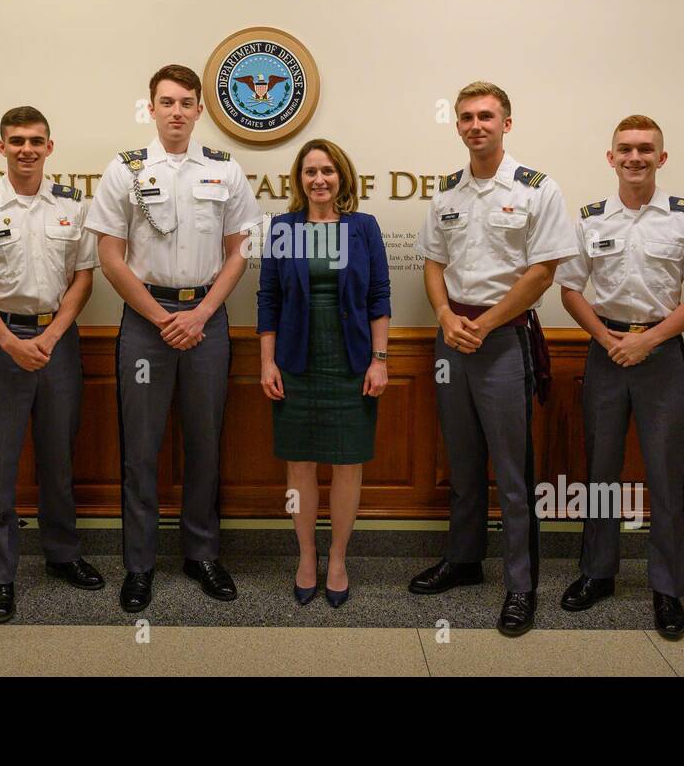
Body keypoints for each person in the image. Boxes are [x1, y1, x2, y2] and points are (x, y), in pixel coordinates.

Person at [84, 64, 262, 613]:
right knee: (140, 448)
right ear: (151, 108)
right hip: (146, 323)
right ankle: (139, 564)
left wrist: (202, 312)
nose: (177, 112)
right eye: (167, 102)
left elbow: (239, 250)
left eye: (187, 102)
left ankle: (201, 554)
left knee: (206, 442)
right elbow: (109, 257)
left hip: (206, 319)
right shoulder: (125, 169)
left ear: (200, 109)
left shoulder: (225, 169)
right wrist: (163, 320)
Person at [554, 115, 684, 638]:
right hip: (604, 351)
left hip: (661, 353)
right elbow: (570, 290)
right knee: (601, 467)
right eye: (625, 149)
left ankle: (669, 587)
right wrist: (610, 341)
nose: (635, 157)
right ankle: (597, 573)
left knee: (665, 472)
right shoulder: (587, 219)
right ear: (610, 157)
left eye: (646, 149)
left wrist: (647, 341)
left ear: (662, 157)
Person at [410, 81, 575, 637]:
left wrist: (484, 323)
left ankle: (521, 584)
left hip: (502, 338)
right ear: (456, 125)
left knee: (511, 469)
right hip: (452, 335)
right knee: (461, 460)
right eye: (466, 117)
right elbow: (434, 261)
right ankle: (463, 560)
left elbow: (543, 271)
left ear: (507, 122)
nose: (475, 125)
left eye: (486, 116)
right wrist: (444, 315)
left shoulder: (537, 188)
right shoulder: (447, 192)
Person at [0, 106, 104, 624]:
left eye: (36, 140)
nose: (27, 149)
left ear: (50, 147)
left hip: (59, 341)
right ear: (1, 148)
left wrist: (54, 333)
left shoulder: (72, 207)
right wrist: (10, 342)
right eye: (16, 141)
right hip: (0, 346)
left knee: (59, 455)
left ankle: (61, 554)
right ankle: (1, 575)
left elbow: (83, 277)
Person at [257, 140, 391, 608]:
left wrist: (380, 359)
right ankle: (306, 556)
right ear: (299, 179)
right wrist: (267, 361)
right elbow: (268, 298)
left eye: (328, 171)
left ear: (342, 177)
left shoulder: (363, 227)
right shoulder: (284, 227)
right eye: (311, 171)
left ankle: (338, 558)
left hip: (351, 361)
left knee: (348, 463)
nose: (319, 179)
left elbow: (379, 296)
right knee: (300, 465)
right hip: (296, 360)